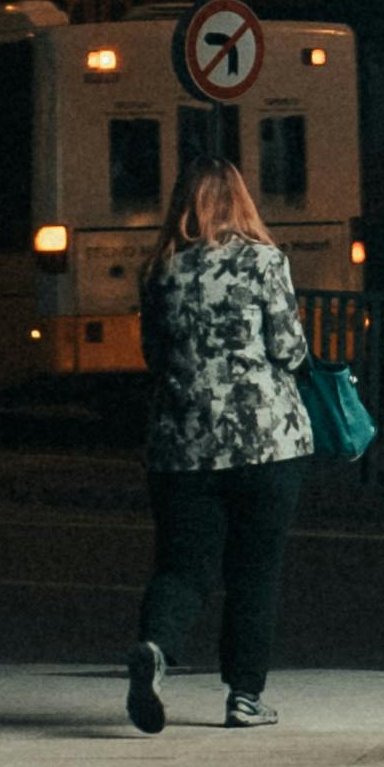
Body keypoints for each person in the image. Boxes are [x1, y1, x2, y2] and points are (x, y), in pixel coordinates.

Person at [126, 144, 310, 730]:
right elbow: (289, 349)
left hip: (181, 444)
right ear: (240, 201)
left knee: (182, 565)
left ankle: (155, 648)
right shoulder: (264, 261)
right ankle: (244, 697)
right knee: (255, 570)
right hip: (266, 441)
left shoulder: (159, 270)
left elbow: (153, 357)